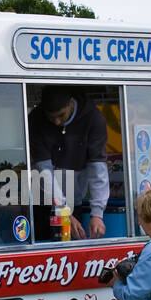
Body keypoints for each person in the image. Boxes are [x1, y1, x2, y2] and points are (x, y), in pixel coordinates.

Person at [28, 86, 109, 240]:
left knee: (71, 245)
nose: (57, 121)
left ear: (71, 103)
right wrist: (64, 211)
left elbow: (97, 168)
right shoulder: (35, 120)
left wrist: (97, 214)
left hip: (74, 199)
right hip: (42, 200)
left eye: (61, 115)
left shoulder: (93, 118)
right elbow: (44, 170)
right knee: (41, 247)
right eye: (51, 118)